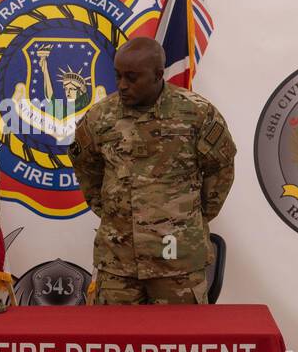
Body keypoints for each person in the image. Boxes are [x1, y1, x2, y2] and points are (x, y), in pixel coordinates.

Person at [70, 37, 236, 304]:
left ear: (159, 74)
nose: (123, 85)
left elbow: (221, 168)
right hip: (118, 262)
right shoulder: (99, 117)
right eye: (118, 76)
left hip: (177, 263)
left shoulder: (196, 114)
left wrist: (190, 217)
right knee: (112, 343)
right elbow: (87, 168)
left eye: (132, 78)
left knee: (183, 343)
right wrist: (113, 212)